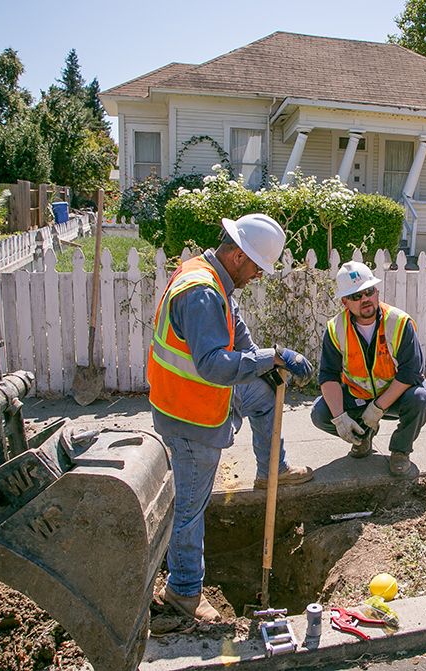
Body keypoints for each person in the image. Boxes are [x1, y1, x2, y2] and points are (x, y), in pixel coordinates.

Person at [147, 213, 315, 621]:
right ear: (238, 255)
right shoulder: (202, 291)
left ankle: (271, 469)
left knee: (263, 397)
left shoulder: (216, 280)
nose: (259, 274)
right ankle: (183, 592)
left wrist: (265, 363)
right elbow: (213, 365)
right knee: (190, 506)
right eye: (258, 265)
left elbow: (237, 335)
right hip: (190, 414)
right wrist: (271, 357)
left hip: (205, 399)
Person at [310, 261, 426, 476]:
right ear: (345, 302)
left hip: (396, 396)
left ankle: (400, 451)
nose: (365, 299)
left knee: (421, 398)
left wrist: (377, 407)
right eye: (356, 296)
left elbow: (410, 373)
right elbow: (328, 376)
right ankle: (363, 437)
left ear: (376, 291)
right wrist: (340, 419)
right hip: (358, 395)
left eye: (369, 291)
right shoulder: (335, 329)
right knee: (320, 413)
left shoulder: (399, 322)